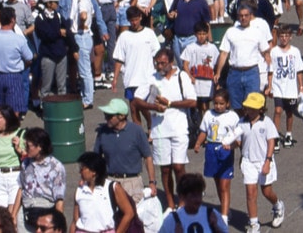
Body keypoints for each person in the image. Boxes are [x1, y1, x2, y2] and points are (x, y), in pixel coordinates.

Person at [133, 49, 197, 212]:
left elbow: (192, 102)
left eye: (162, 63)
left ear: (171, 62)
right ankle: (170, 204)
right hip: (159, 130)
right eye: (157, 63)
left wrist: (169, 104)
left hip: (179, 129)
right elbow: (137, 100)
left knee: (179, 167)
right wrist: (154, 106)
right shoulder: (151, 78)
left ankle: (182, 201)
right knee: (166, 169)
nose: (159, 66)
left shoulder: (182, 77)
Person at [221, 92, 284, 233]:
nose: (249, 111)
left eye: (252, 108)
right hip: (248, 162)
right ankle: (254, 224)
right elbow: (238, 142)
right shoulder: (242, 122)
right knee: (250, 193)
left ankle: (278, 205)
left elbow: (271, 142)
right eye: (248, 107)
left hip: (263, 161)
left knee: (266, 191)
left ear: (261, 109)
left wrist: (268, 161)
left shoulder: (267, 123)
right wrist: (229, 146)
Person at [93, 98, 157, 204]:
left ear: (121, 116)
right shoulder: (102, 132)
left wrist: (152, 182)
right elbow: (95, 159)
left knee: (133, 217)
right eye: (105, 115)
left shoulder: (136, 131)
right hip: (110, 181)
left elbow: (147, 157)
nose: (106, 118)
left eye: (109, 116)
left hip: (132, 182)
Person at [192, 89, 238, 226]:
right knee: (218, 183)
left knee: (225, 185)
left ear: (228, 103)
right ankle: (225, 208)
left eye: (221, 103)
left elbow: (238, 137)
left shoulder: (233, 117)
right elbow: (204, 131)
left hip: (225, 150)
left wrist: (232, 146)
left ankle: (223, 217)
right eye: (216, 103)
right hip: (211, 149)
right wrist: (198, 143)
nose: (218, 106)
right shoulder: (208, 114)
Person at [215, 4, 272, 111]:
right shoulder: (231, 32)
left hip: (251, 72)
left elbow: (266, 52)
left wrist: (270, 73)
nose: (243, 18)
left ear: (251, 16)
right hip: (234, 73)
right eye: (241, 16)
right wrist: (218, 72)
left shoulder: (257, 32)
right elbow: (223, 53)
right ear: (238, 17)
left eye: (246, 15)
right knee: (235, 106)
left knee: (253, 105)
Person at [112, 6, 160, 126]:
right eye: (131, 20)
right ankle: (138, 134)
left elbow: (157, 55)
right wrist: (115, 78)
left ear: (140, 17)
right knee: (133, 108)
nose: (134, 22)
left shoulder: (149, 34)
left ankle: (151, 126)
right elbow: (119, 59)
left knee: (144, 107)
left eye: (136, 19)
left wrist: (159, 74)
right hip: (130, 79)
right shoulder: (124, 36)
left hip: (146, 78)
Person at [12, 128, 66, 233]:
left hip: (45, 215)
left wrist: (58, 224)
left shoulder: (56, 167)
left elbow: (59, 198)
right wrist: (13, 215)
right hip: (25, 215)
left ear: (40, 147)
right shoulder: (25, 164)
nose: (26, 149)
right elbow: (21, 189)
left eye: (28, 146)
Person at [0, 7, 34, 115]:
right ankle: (12, 130)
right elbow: (29, 58)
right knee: (14, 110)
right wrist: (23, 66)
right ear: (13, 20)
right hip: (14, 76)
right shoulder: (19, 39)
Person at [72, 152, 136, 233]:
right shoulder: (79, 190)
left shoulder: (113, 187)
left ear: (93, 172)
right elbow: (75, 222)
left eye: (83, 168)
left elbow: (129, 213)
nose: (80, 172)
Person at [269, 26, 303, 148]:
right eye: (281, 36)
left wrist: (301, 86)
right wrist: (269, 86)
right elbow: (271, 70)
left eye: (286, 36)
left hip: (291, 88)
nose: (284, 39)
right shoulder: (274, 51)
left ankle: (289, 134)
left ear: (290, 37)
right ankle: (275, 136)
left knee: (290, 112)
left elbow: (298, 70)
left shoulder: (295, 52)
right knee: (278, 111)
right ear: (278, 37)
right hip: (278, 86)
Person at [157, 173, 229, 233]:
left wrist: (216, 228)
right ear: (182, 196)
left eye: (200, 194)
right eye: (193, 196)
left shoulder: (211, 214)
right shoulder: (172, 219)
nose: (198, 199)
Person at [0, 105, 26, 208]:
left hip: (15, 176)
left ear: (7, 118)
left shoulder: (20, 133)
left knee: (12, 215)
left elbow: (28, 156)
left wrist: (18, 148)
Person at [36, 0, 74, 98]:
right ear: (48, 3)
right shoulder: (40, 18)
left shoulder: (58, 16)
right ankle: (46, 108)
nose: (58, 4)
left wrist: (72, 47)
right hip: (48, 55)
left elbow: (66, 30)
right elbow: (45, 35)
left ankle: (61, 107)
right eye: (55, 2)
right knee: (46, 86)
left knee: (62, 85)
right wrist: (58, 32)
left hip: (61, 54)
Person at [182, 21, 220, 111]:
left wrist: (216, 77)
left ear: (207, 34)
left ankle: (204, 122)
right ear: (195, 34)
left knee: (205, 105)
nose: (202, 36)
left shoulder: (212, 48)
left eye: (204, 34)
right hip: (195, 81)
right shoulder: (190, 47)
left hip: (207, 82)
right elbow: (185, 65)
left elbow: (217, 64)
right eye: (199, 34)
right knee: (195, 105)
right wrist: (190, 77)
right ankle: (196, 122)